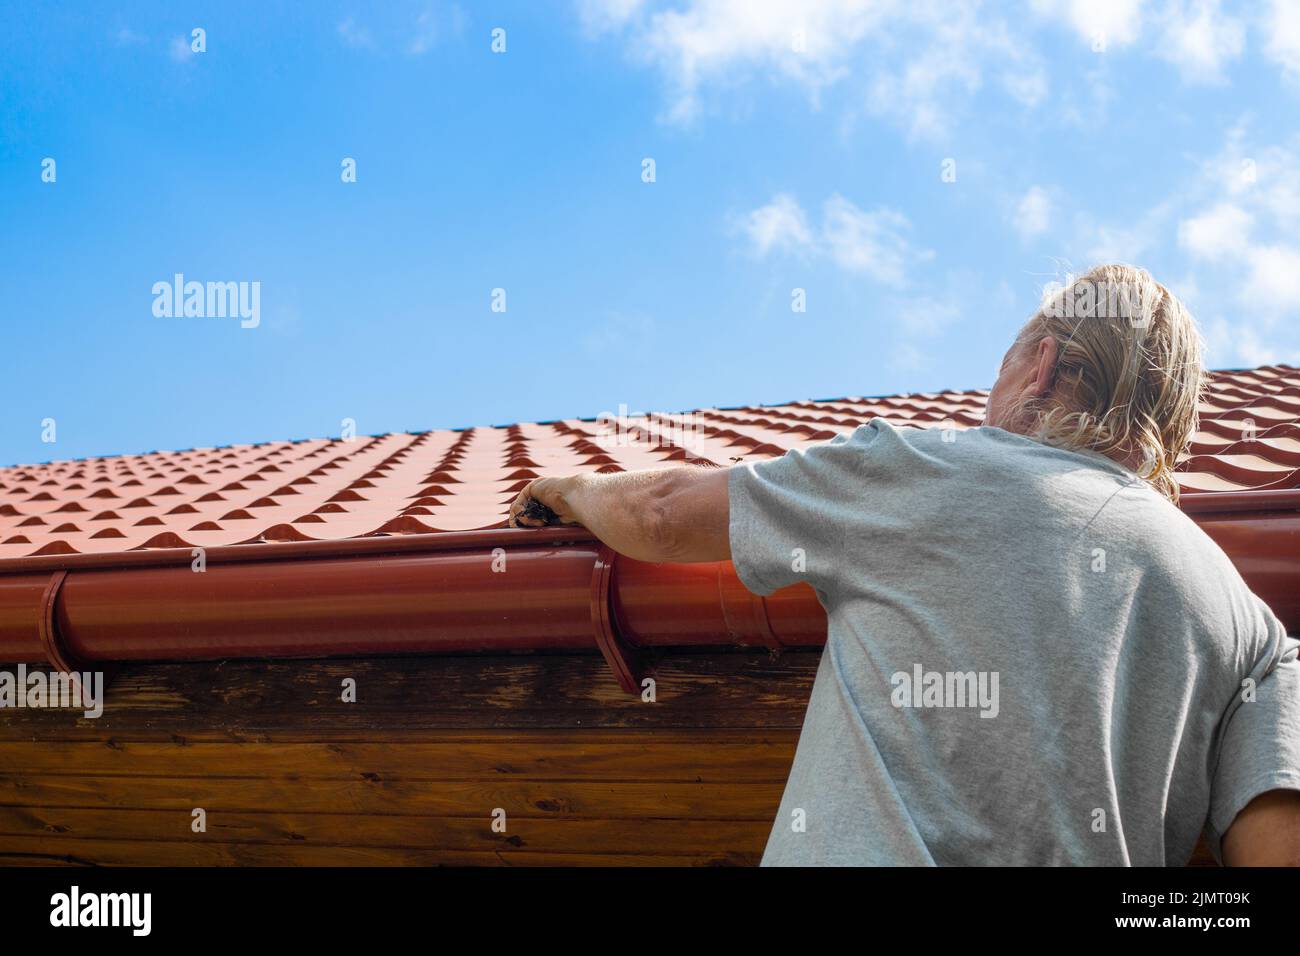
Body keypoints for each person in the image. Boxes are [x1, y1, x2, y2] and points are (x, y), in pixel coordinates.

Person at [509, 264, 1300, 866]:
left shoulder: (923, 469)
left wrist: (572, 486)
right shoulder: (1252, 630)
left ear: (1044, 366)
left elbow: (660, 515)